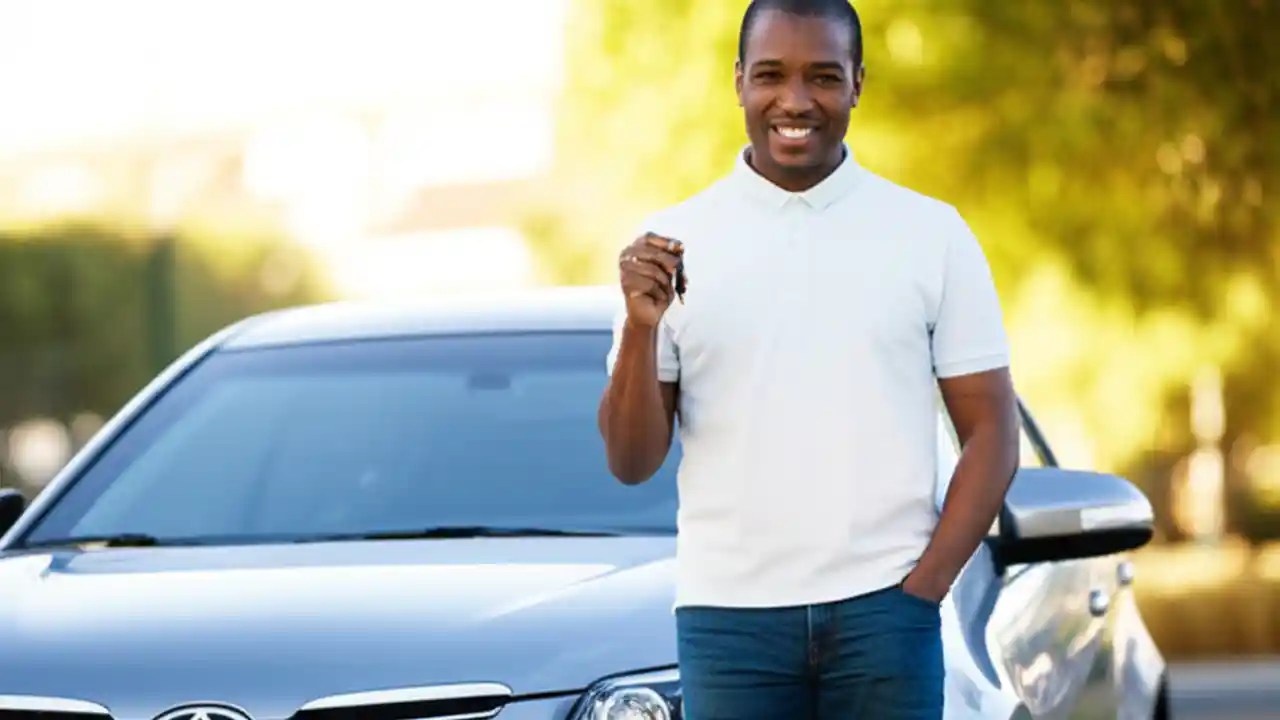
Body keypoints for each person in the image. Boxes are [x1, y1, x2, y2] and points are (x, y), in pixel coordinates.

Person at [597, 0, 1020, 717]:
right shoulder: (670, 242)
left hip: (885, 616)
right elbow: (631, 461)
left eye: (823, 76)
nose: (795, 101)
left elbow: (992, 433)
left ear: (858, 82)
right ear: (738, 82)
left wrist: (922, 589)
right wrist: (641, 329)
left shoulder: (930, 235)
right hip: (729, 623)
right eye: (771, 75)